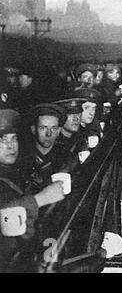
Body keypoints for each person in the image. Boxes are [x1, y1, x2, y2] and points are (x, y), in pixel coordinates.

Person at [0, 109, 65, 273]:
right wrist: (40, 199)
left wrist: (48, 252)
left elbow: (45, 223)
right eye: (2, 140)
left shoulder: (20, 173)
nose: (10, 145)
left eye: (13, 139)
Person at [19, 104, 72, 193]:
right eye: (43, 128)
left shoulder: (68, 159)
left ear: (59, 131)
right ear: (33, 129)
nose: (48, 134)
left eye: (53, 128)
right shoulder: (22, 161)